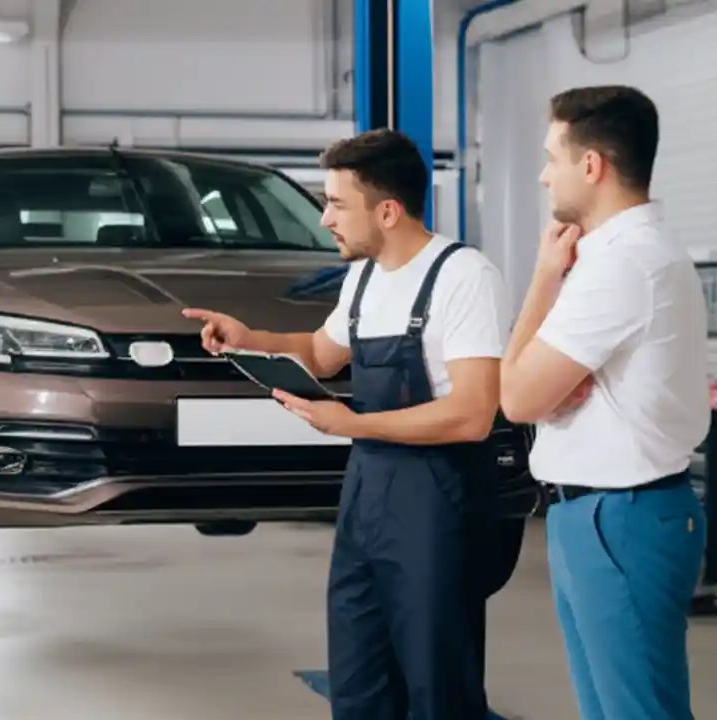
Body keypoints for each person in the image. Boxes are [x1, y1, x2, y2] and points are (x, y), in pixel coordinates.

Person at [183, 128, 512, 720]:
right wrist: (247, 338)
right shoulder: (364, 276)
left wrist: (353, 424)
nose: (325, 219)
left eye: (336, 204)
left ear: (387, 210)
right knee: (359, 679)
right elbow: (320, 351)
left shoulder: (464, 277)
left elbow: (471, 414)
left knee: (439, 688)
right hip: (366, 498)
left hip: (440, 501)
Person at [498, 85, 710, 720]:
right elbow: (536, 388)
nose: (543, 175)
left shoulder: (624, 265)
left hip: (621, 516)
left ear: (592, 166)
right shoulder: (615, 258)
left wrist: (541, 279)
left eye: (551, 157)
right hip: (595, 512)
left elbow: (516, 396)